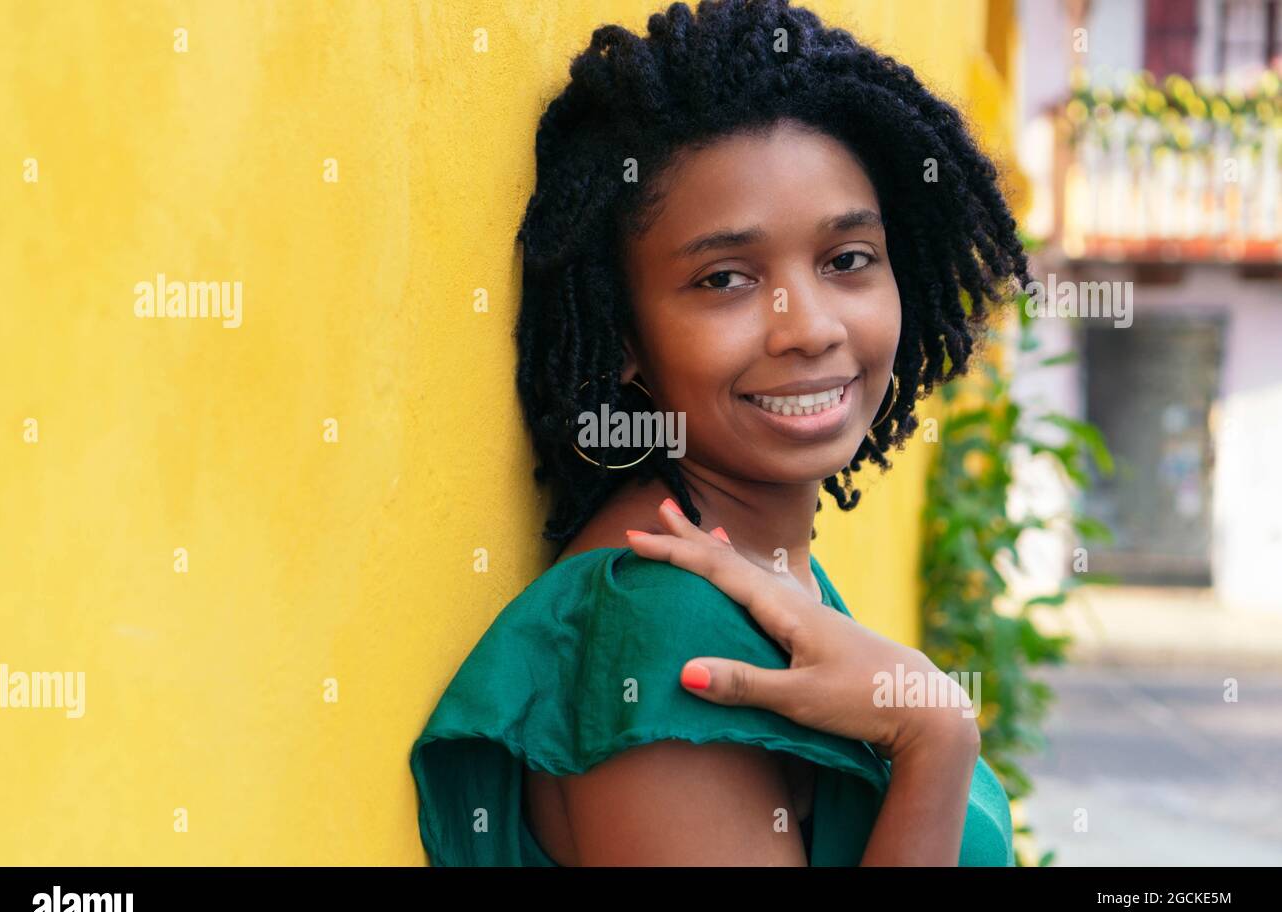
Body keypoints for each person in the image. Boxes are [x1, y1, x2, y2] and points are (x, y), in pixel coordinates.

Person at [411, 0, 1030, 866]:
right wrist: (934, 736)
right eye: (726, 279)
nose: (807, 327)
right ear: (626, 338)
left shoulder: (760, 570)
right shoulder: (660, 627)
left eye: (847, 259)